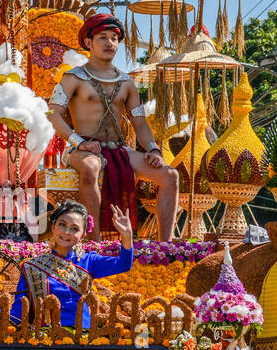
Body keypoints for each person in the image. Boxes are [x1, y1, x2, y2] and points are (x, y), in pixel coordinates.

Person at [49, 13, 179, 241]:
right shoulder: (72, 78)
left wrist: (153, 150)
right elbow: (53, 114)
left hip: (119, 150)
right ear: (89, 43)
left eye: (114, 38)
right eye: (103, 37)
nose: (109, 43)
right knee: (90, 167)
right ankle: (94, 242)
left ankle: (165, 245)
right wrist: (80, 143)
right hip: (80, 149)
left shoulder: (127, 82)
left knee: (171, 176)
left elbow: (139, 122)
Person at [11, 200, 134, 329]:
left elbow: (123, 264)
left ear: (83, 235)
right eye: (62, 224)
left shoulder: (89, 261)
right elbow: (20, 310)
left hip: (81, 336)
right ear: (53, 227)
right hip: (46, 339)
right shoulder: (31, 267)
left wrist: (127, 236)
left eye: (74, 228)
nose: (67, 232)